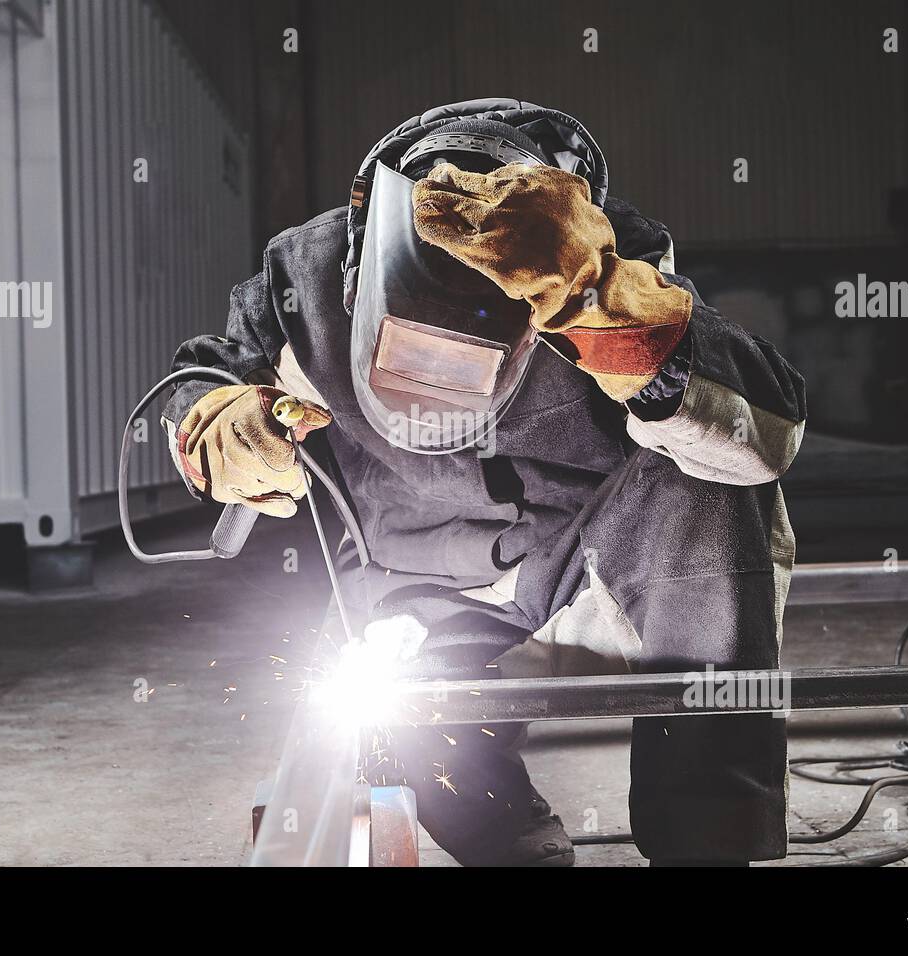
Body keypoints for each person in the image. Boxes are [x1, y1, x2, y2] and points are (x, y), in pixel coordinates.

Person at [161, 99, 806, 866]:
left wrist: (600, 301)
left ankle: (708, 842)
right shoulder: (303, 277)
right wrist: (219, 422)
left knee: (710, 471)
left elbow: (766, 435)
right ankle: (513, 846)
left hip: (591, 572)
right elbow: (207, 376)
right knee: (403, 729)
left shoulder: (596, 258)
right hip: (417, 591)